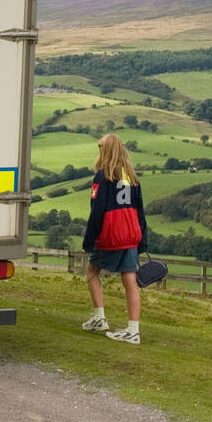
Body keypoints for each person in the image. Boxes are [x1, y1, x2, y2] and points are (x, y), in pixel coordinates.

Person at [80, 134, 148, 344]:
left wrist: (89, 239)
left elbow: (97, 210)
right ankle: (133, 330)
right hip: (130, 233)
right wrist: (142, 240)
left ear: (106, 150)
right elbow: (140, 210)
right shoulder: (131, 176)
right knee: (130, 280)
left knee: (92, 271)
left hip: (111, 233)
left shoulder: (103, 176)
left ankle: (100, 318)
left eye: (101, 148)